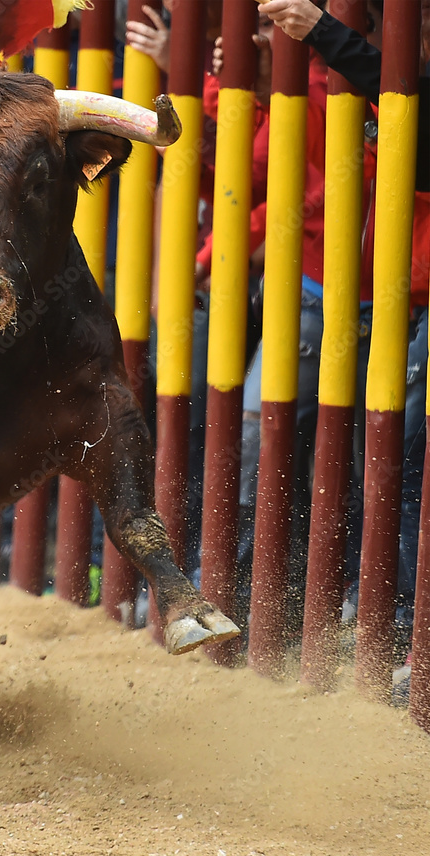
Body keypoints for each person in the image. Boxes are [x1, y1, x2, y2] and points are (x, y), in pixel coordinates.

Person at [260, 0, 430, 699]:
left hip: (369, 291)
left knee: (402, 444)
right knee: (390, 444)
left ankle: (399, 624)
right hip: (367, 292)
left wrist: (327, 35)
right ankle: (391, 618)